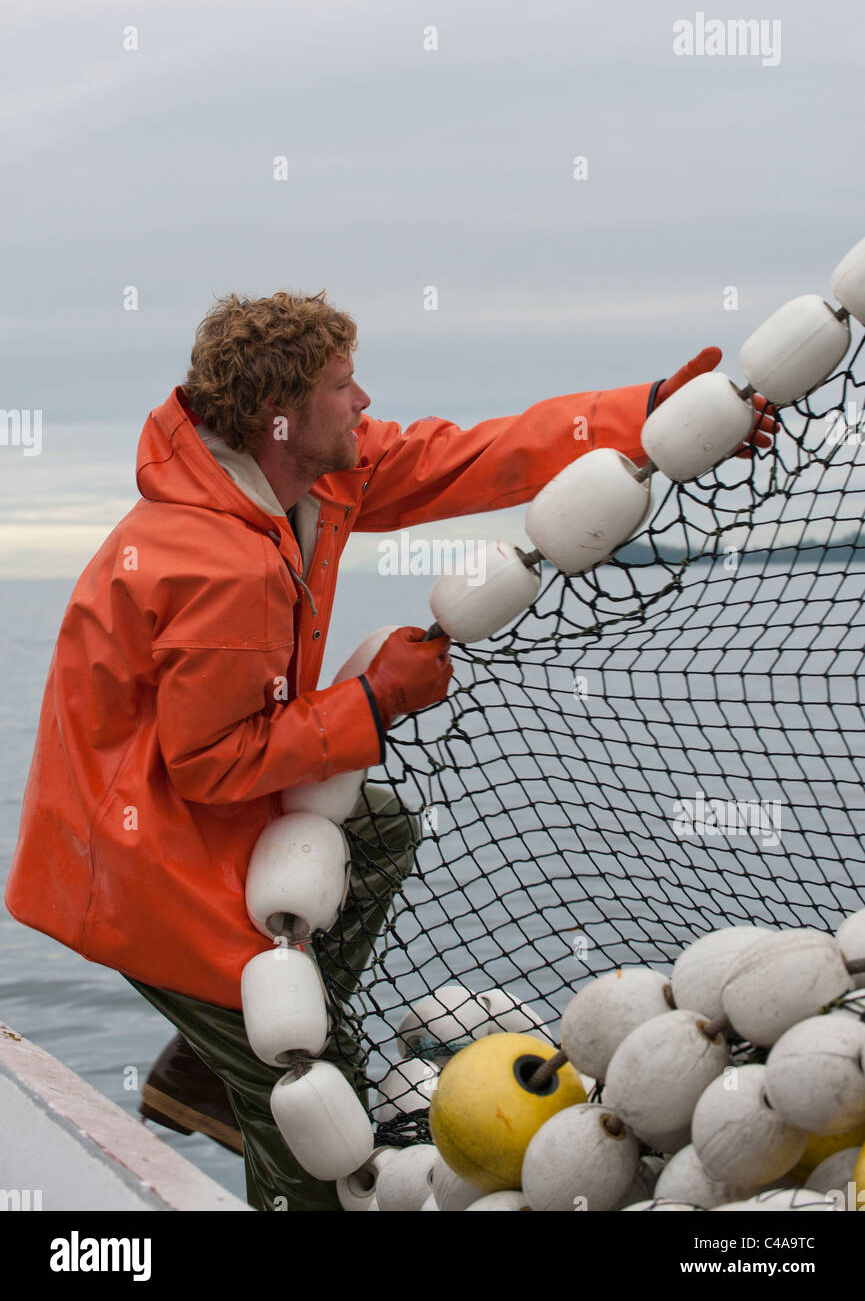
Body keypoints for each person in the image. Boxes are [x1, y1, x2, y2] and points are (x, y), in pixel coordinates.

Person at [4, 290, 776, 1210]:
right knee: (310, 1098)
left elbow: (471, 457)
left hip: (191, 816)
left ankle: (202, 1078)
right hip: (143, 866)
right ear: (277, 415)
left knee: (374, 831)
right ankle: (249, 1096)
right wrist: (374, 700)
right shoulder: (216, 562)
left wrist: (646, 417)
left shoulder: (312, 479)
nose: (364, 400)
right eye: (343, 386)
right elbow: (212, 766)